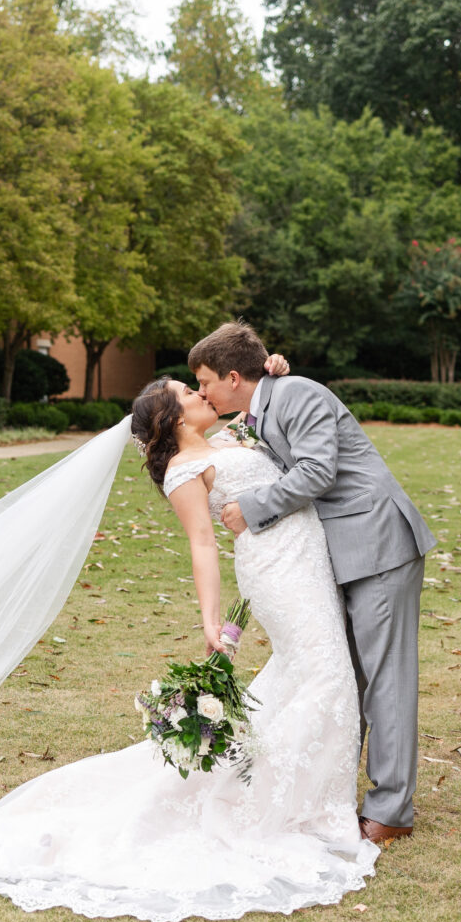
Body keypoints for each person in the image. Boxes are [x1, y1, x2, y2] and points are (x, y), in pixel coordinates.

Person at [0, 376, 379, 921]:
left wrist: (271, 367)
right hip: (277, 572)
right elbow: (202, 542)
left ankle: (300, 793)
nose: (203, 396)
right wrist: (210, 619)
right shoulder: (185, 470)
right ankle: (293, 807)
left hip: (307, 557)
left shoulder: (230, 438)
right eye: (190, 394)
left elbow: (263, 411)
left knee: (308, 673)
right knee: (327, 674)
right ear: (174, 418)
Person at [189, 320, 435, 843]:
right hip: (333, 557)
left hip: (377, 545)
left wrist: (249, 508)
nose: (202, 391)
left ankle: (391, 812)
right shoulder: (263, 406)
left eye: (206, 380)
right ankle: (330, 794)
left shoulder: (299, 394)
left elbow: (318, 470)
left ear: (233, 376)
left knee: (384, 680)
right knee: (343, 677)